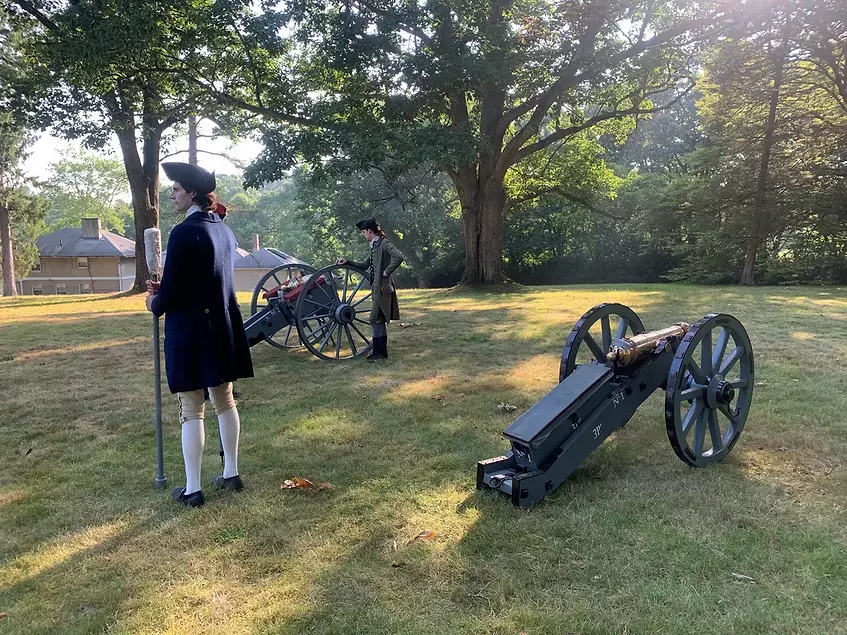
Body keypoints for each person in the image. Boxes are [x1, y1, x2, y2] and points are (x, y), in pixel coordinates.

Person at [145, 162, 254, 507]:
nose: (171, 194)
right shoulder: (223, 229)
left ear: (191, 193)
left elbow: (173, 293)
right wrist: (169, 289)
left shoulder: (184, 232)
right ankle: (231, 474)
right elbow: (201, 279)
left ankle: (192, 490)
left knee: (191, 409)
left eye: (175, 189)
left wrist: (154, 300)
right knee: (225, 400)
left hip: (191, 330)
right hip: (220, 326)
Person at [336, 217, 404, 361]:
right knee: (378, 320)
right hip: (376, 289)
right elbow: (366, 265)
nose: (363, 234)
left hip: (382, 289)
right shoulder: (375, 245)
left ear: (369, 231)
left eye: (363, 232)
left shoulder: (384, 243)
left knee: (374, 319)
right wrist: (348, 262)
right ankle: (381, 353)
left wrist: (386, 272)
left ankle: (378, 353)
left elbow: (399, 257)